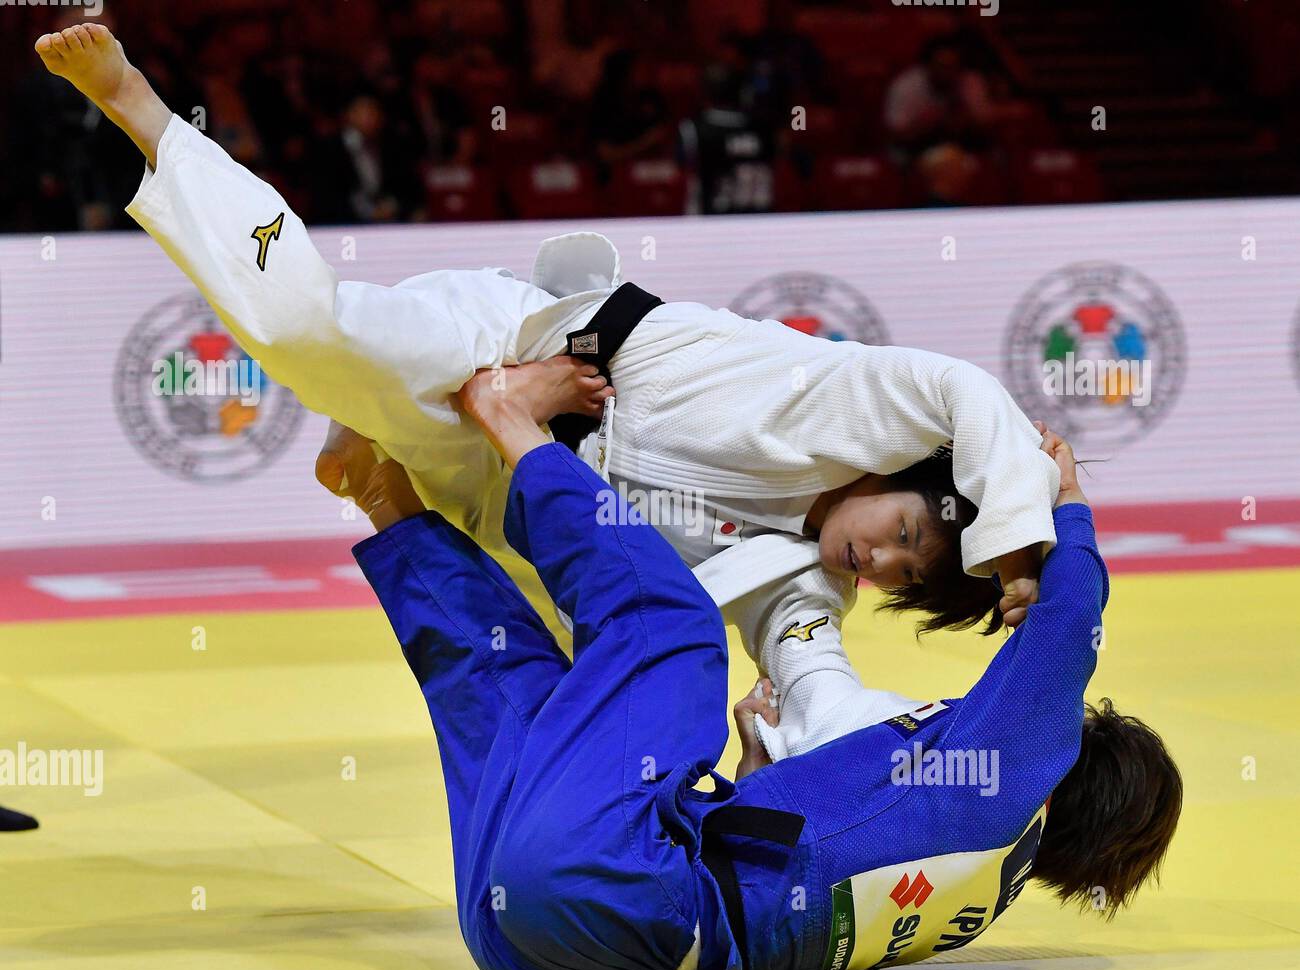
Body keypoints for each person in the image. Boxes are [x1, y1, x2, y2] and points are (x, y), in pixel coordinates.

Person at [35, 24, 1061, 757]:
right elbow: (964, 390)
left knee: (610, 695)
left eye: (898, 578)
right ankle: (151, 117)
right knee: (309, 328)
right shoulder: (849, 407)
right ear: (913, 473)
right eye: (910, 536)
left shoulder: (801, 586)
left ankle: (381, 481)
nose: (876, 559)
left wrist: (937, 758)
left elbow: (817, 681)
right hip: (495, 347)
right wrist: (1022, 548)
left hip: (503, 501)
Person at [326, 355, 1180, 970]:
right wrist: (755, 781)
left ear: (1075, 754)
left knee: (673, 628)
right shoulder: (974, 902)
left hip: (618, 886)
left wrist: (1061, 505)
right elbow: (804, 894)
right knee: (538, 698)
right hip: (535, 941)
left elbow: (1070, 629)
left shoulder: (1021, 768)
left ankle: (517, 426)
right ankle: (382, 497)